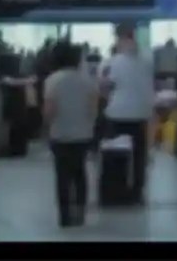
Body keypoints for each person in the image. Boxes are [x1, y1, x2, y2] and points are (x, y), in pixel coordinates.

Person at [44, 42, 99, 227]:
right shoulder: (87, 80)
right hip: (83, 134)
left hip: (60, 133)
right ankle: (80, 213)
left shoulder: (52, 80)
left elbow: (50, 110)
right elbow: (93, 109)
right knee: (79, 173)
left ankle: (65, 216)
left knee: (62, 176)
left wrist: (47, 125)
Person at [102, 23, 155, 203]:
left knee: (117, 153)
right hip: (141, 112)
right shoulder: (148, 59)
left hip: (118, 112)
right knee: (139, 155)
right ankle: (137, 191)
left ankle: (118, 188)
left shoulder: (114, 61)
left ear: (119, 37)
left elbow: (106, 85)